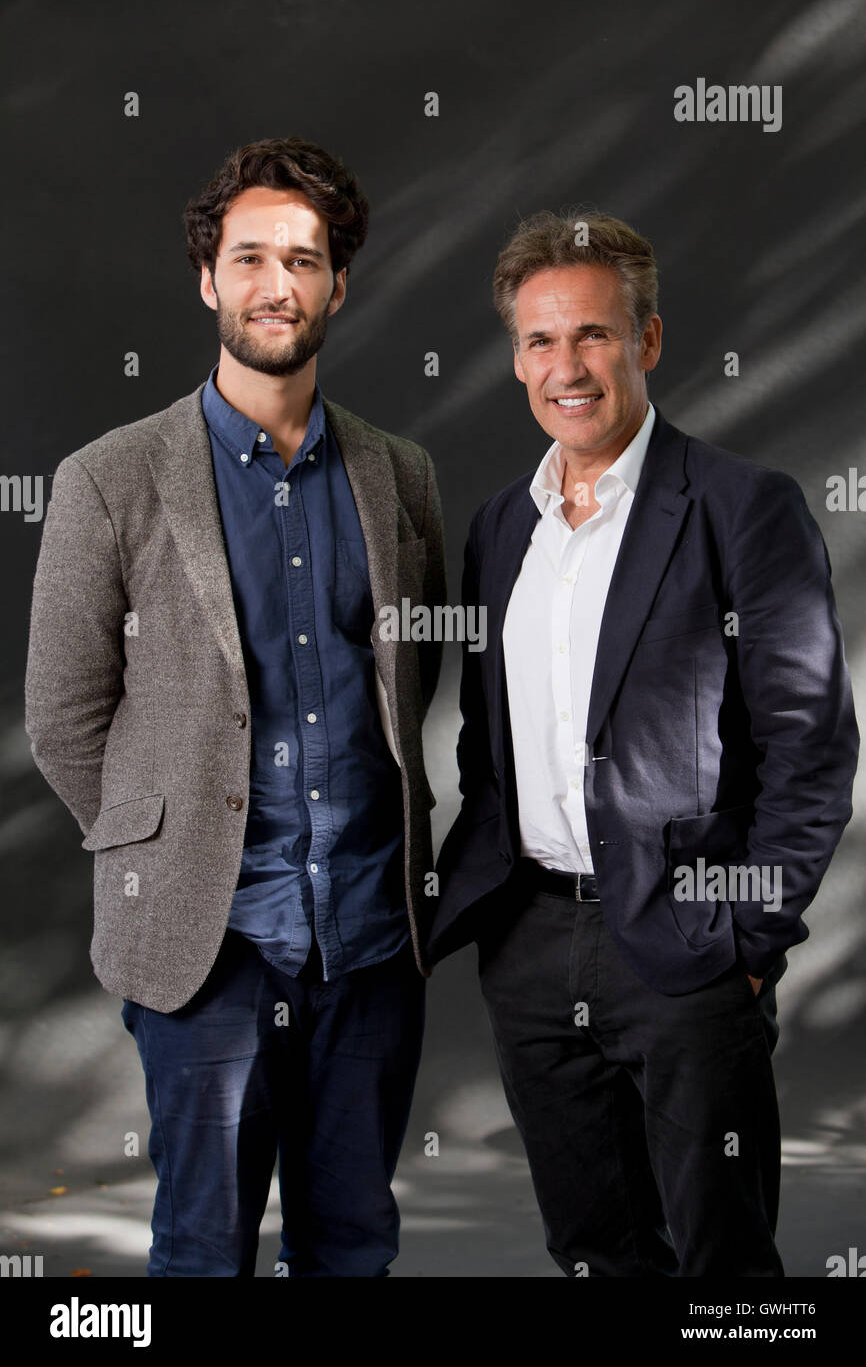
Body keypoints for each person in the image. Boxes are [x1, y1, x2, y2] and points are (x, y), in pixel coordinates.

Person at [25, 136, 446, 1278]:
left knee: (353, 1244)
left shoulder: (398, 474)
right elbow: (63, 714)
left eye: (304, 260)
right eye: (250, 257)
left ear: (337, 284)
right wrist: (162, 846)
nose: (277, 285)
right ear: (208, 278)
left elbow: (411, 675)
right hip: (206, 950)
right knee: (204, 1251)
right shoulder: (108, 478)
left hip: (366, 939)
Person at [428, 209, 858, 1277]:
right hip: (527, 941)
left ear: (646, 341)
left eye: (592, 335)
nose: (563, 366)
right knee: (590, 1248)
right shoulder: (498, 529)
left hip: (684, 950)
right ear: (515, 355)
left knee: (721, 1262)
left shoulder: (739, 508)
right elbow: (489, 745)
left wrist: (746, 943)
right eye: (538, 340)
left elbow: (808, 747)